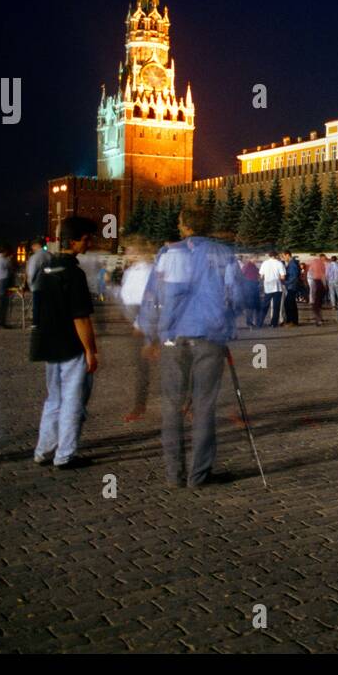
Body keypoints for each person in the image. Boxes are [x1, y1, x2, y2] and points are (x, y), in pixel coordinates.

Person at [139, 207, 237, 488]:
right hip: (210, 337)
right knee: (205, 406)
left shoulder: (169, 254)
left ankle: (174, 473)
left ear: (184, 227)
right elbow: (236, 294)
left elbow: (152, 296)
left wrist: (150, 336)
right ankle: (199, 475)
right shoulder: (222, 253)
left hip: (174, 338)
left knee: (171, 406)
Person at [29, 218, 99, 470]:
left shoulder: (47, 269)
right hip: (71, 345)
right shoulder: (74, 273)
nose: (89, 243)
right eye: (86, 238)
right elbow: (80, 317)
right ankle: (65, 454)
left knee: (54, 399)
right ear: (74, 241)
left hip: (50, 343)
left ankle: (43, 450)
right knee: (73, 400)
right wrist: (91, 351)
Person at [119, 235, 156, 423]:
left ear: (139, 251)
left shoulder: (149, 271)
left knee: (166, 367)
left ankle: (184, 403)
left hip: (147, 325)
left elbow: (150, 302)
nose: (127, 253)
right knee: (142, 369)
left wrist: (141, 326)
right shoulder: (130, 271)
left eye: (130, 250)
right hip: (135, 323)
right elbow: (125, 296)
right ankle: (140, 404)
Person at [25, 239, 49, 322]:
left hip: (37, 285)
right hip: (49, 285)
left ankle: (36, 324)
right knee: (46, 306)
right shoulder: (50, 255)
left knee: (37, 307)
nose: (32, 248)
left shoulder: (35, 257)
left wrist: (29, 284)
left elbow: (32, 272)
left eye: (32, 246)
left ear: (37, 245)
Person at [0, 246, 14, 328]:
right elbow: (10, 267)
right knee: (3, 303)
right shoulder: (3, 259)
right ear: (5, 251)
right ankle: (1, 323)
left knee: (2, 303)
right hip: (3, 281)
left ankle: (1, 322)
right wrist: (10, 259)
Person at [240, 255, 263, 329]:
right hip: (249, 288)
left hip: (255, 287)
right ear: (251, 258)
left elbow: (258, 275)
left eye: (257, 258)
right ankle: (249, 322)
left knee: (257, 306)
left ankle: (257, 322)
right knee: (250, 306)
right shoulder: (246, 266)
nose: (256, 260)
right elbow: (241, 276)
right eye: (256, 258)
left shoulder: (254, 266)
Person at [307, 253, 328, 326]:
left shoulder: (314, 263)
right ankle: (319, 319)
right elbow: (323, 275)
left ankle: (318, 319)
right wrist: (325, 285)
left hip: (315, 282)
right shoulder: (322, 264)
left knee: (316, 303)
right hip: (320, 283)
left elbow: (310, 274)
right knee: (318, 303)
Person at [282, 250, 301, 327]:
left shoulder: (292, 264)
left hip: (292, 286)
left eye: (283, 256)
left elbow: (294, 277)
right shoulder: (291, 263)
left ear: (287, 255)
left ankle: (292, 321)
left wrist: (285, 282)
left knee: (288, 303)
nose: (283, 258)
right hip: (292, 286)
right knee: (291, 303)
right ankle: (294, 321)